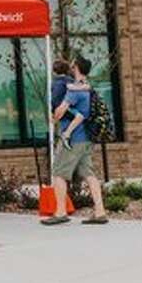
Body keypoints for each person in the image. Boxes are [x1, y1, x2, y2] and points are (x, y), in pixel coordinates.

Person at [45, 56, 107, 225]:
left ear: (76, 67)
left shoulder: (74, 90)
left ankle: (60, 212)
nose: (70, 66)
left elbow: (59, 112)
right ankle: (100, 211)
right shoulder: (87, 87)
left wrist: (55, 115)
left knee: (58, 173)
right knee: (89, 174)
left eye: (72, 64)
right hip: (86, 138)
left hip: (72, 139)